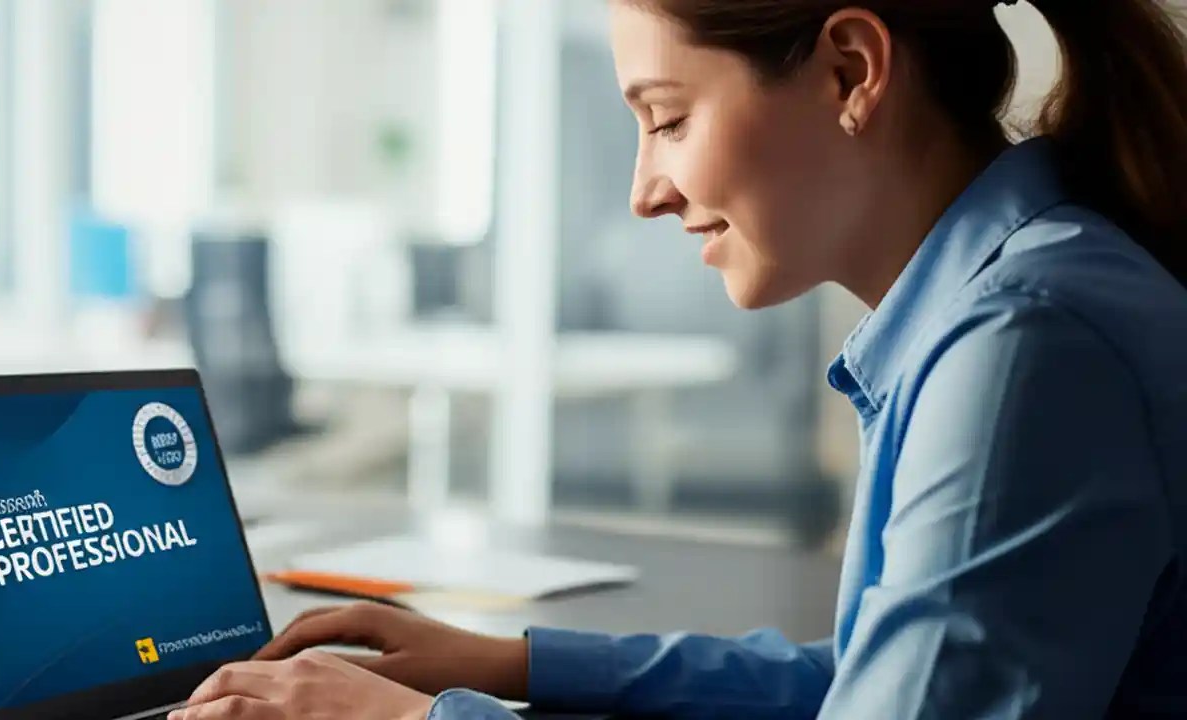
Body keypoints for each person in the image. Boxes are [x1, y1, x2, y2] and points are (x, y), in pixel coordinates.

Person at [170, 0, 1187, 717]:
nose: (643, 190)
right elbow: (872, 681)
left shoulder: (1020, 343)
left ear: (849, 70)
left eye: (665, 118)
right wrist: (514, 665)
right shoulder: (1011, 299)